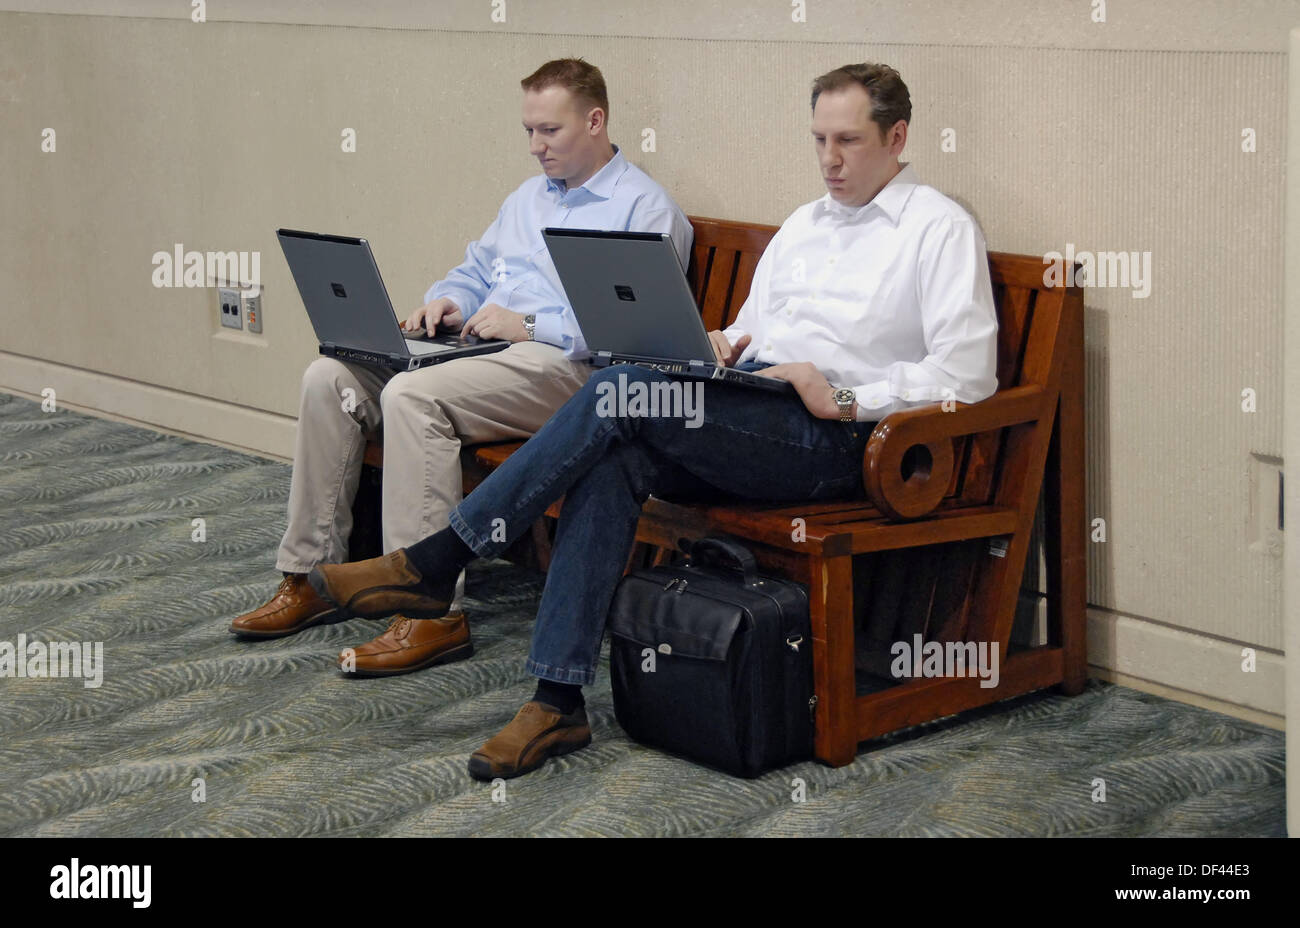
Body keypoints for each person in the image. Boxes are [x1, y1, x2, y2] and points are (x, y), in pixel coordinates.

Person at [306, 62, 999, 779]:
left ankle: (437, 560)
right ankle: (556, 697)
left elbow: (968, 378)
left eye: (848, 141)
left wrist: (847, 396)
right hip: (752, 410)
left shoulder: (938, 229)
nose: (829, 159)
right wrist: (719, 345)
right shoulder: (806, 224)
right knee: (614, 457)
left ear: (897, 136)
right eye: (819, 139)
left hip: (837, 437)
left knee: (622, 389)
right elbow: (752, 328)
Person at [229, 58, 692, 680]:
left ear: (595, 120)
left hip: (568, 373)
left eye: (549, 131)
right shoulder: (526, 199)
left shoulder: (645, 209)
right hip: (483, 355)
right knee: (332, 377)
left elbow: (640, 341)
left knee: (413, 398)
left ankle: (428, 612)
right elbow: (475, 270)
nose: (536, 147)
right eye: (529, 131)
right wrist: (449, 300)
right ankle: (308, 575)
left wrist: (528, 326)